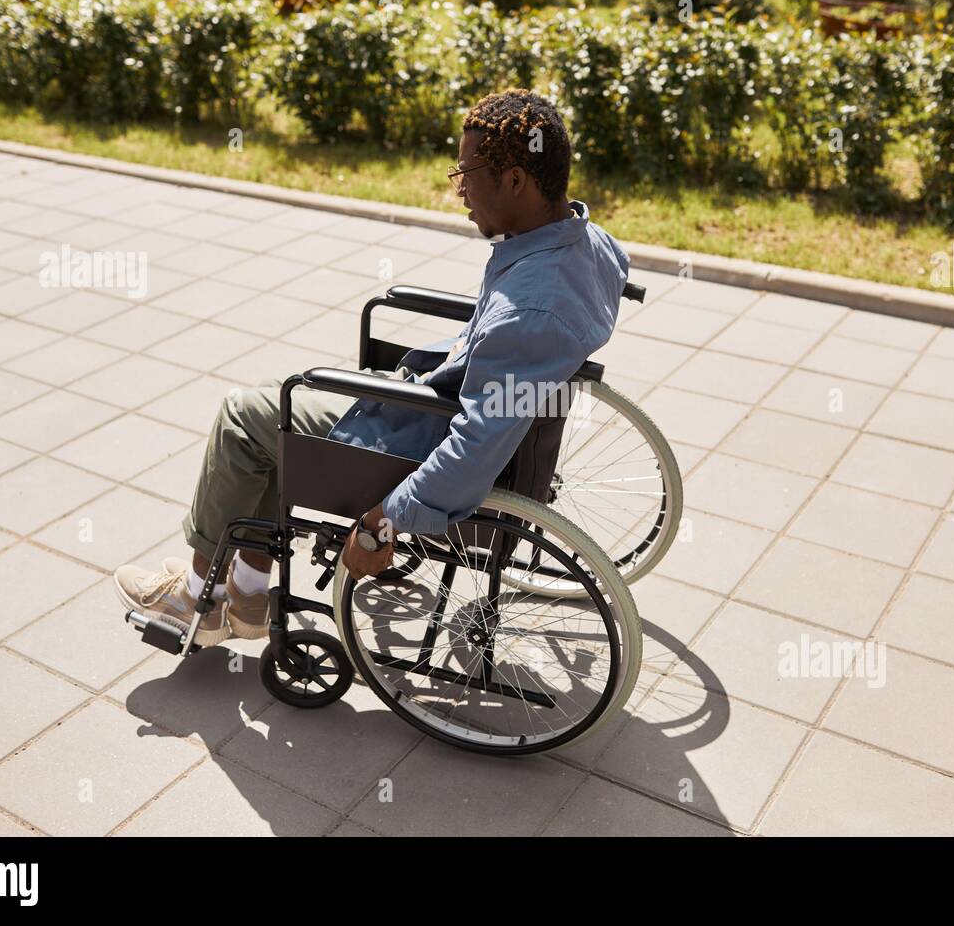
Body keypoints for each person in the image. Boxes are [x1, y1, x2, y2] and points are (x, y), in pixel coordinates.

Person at [113, 88, 632, 646]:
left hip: (420, 443)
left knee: (245, 416)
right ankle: (244, 591)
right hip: (442, 402)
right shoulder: (589, 242)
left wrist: (383, 519)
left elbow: (477, 447)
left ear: (514, 182)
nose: (459, 190)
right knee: (273, 401)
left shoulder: (531, 310)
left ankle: (199, 595)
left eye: (468, 171)